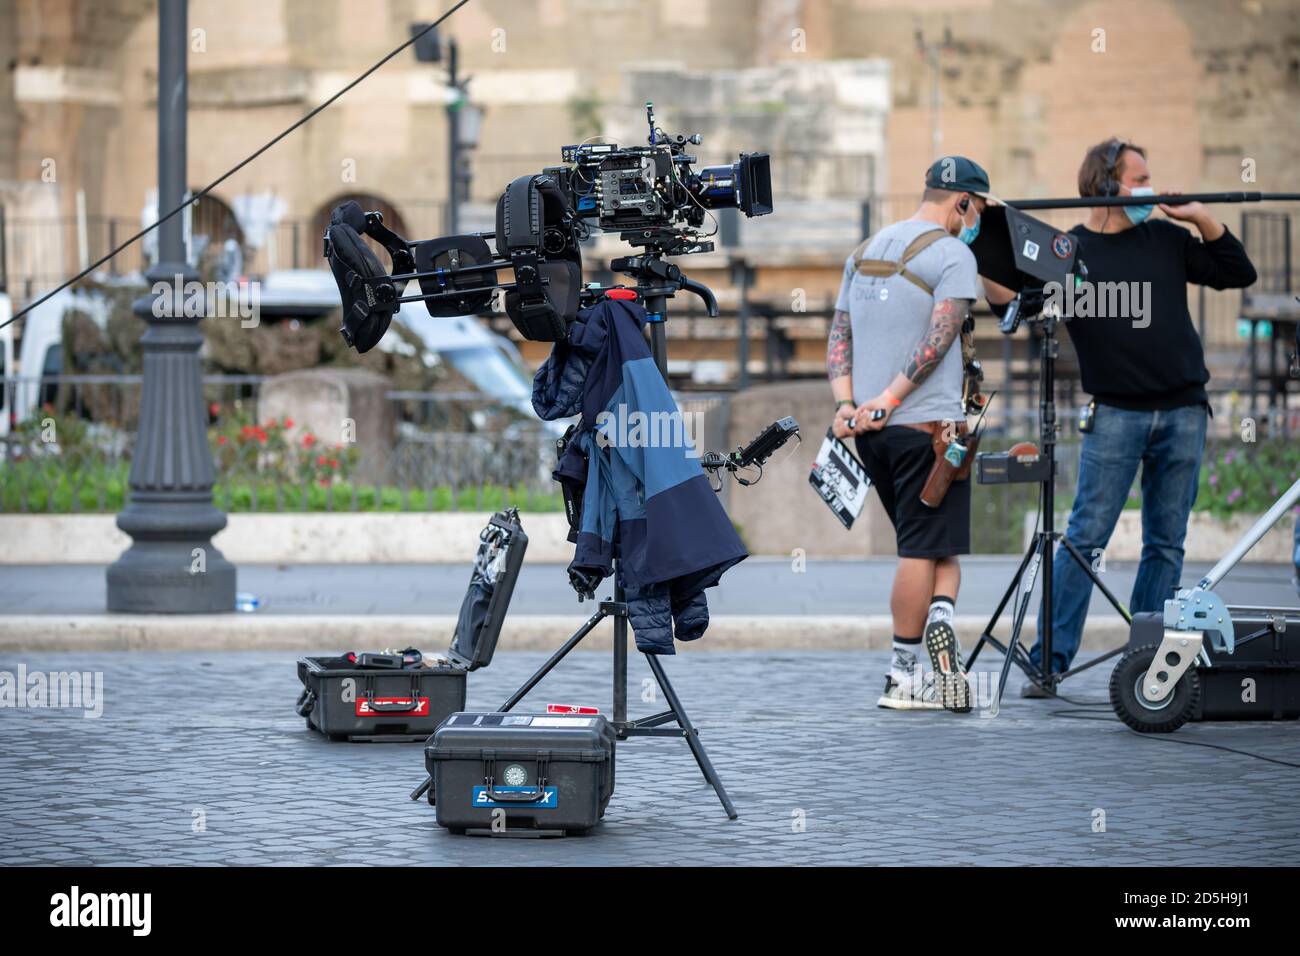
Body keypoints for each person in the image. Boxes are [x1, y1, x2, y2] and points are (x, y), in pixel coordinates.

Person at [985, 138, 1257, 692]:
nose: (1150, 189)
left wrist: (1199, 215)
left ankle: (1148, 665)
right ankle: (1049, 661)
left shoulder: (1165, 237)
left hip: (1184, 410)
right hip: (1115, 415)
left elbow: (1238, 272)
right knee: (1084, 539)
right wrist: (980, 241)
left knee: (1166, 543)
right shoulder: (1067, 252)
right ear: (1106, 185)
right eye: (1140, 179)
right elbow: (1009, 302)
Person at [828, 155, 996, 712]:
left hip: (873, 434)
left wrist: (848, 404)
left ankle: (942, 624)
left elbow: (840, 334)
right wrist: (893, 397)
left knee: (934, 543)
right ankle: (902, 675)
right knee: (919, 549)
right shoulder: (953, 254)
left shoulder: (865, 251)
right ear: (962, 203)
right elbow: (942, 336)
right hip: (930, 429)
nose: (975, 222)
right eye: (977, 211)